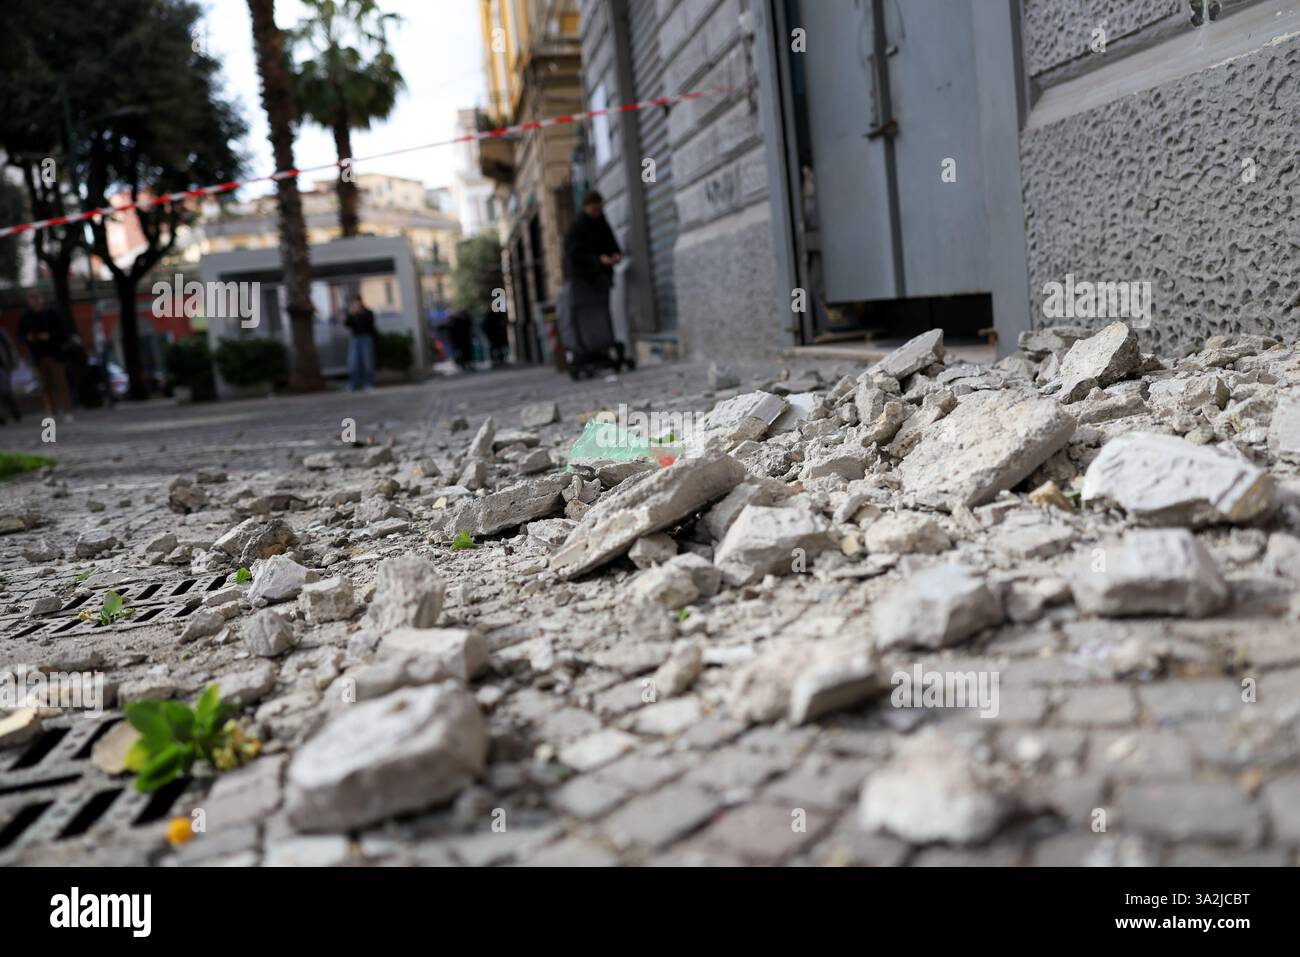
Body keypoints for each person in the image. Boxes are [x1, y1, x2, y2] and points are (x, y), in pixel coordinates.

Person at [562, 190, 625, 376]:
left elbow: (611, 242)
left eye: (600, 208)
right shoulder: (577, 228)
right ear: (587, 207)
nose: (598, 212)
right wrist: (598, 260)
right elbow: (574, 254)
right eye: (595, 208)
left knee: (602, 313)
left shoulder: (602, 223)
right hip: (583, 280)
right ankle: (588, 351)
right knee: (586, 315)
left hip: (601, 279)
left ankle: (604, 348)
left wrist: (615, 254)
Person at [18, 291, 73, 421]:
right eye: (32, 298)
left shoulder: (52, 313)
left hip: (55, 354)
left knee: (61, 384)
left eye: (37, 298)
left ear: (41, 299)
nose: (35, 301)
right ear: (28, 301)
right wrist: (28, 338)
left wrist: (50, 336)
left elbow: (65, 333)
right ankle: (51, 411)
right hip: (38, 356)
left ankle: (67, 411)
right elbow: (20, 336)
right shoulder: (25, 316)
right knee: (45, 385)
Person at [343, 294, 377, 391]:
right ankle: (353, 384)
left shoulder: (367, 312)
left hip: (366, 337)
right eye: (354, 302)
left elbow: (370, 324)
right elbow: (347, 324)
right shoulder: (352, 313)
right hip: (355, 338)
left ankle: (369, 383)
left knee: (367, 361)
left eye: (357, 302)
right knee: (353, 362)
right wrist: (352, 314)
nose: (356, 304)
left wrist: (361, 314)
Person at [0, 330, 21, 424]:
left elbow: (9, 347)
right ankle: (2, 417)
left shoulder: (1, 333)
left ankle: (15, 412)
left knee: (5, 391)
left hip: (2, 366)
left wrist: (12, 362)